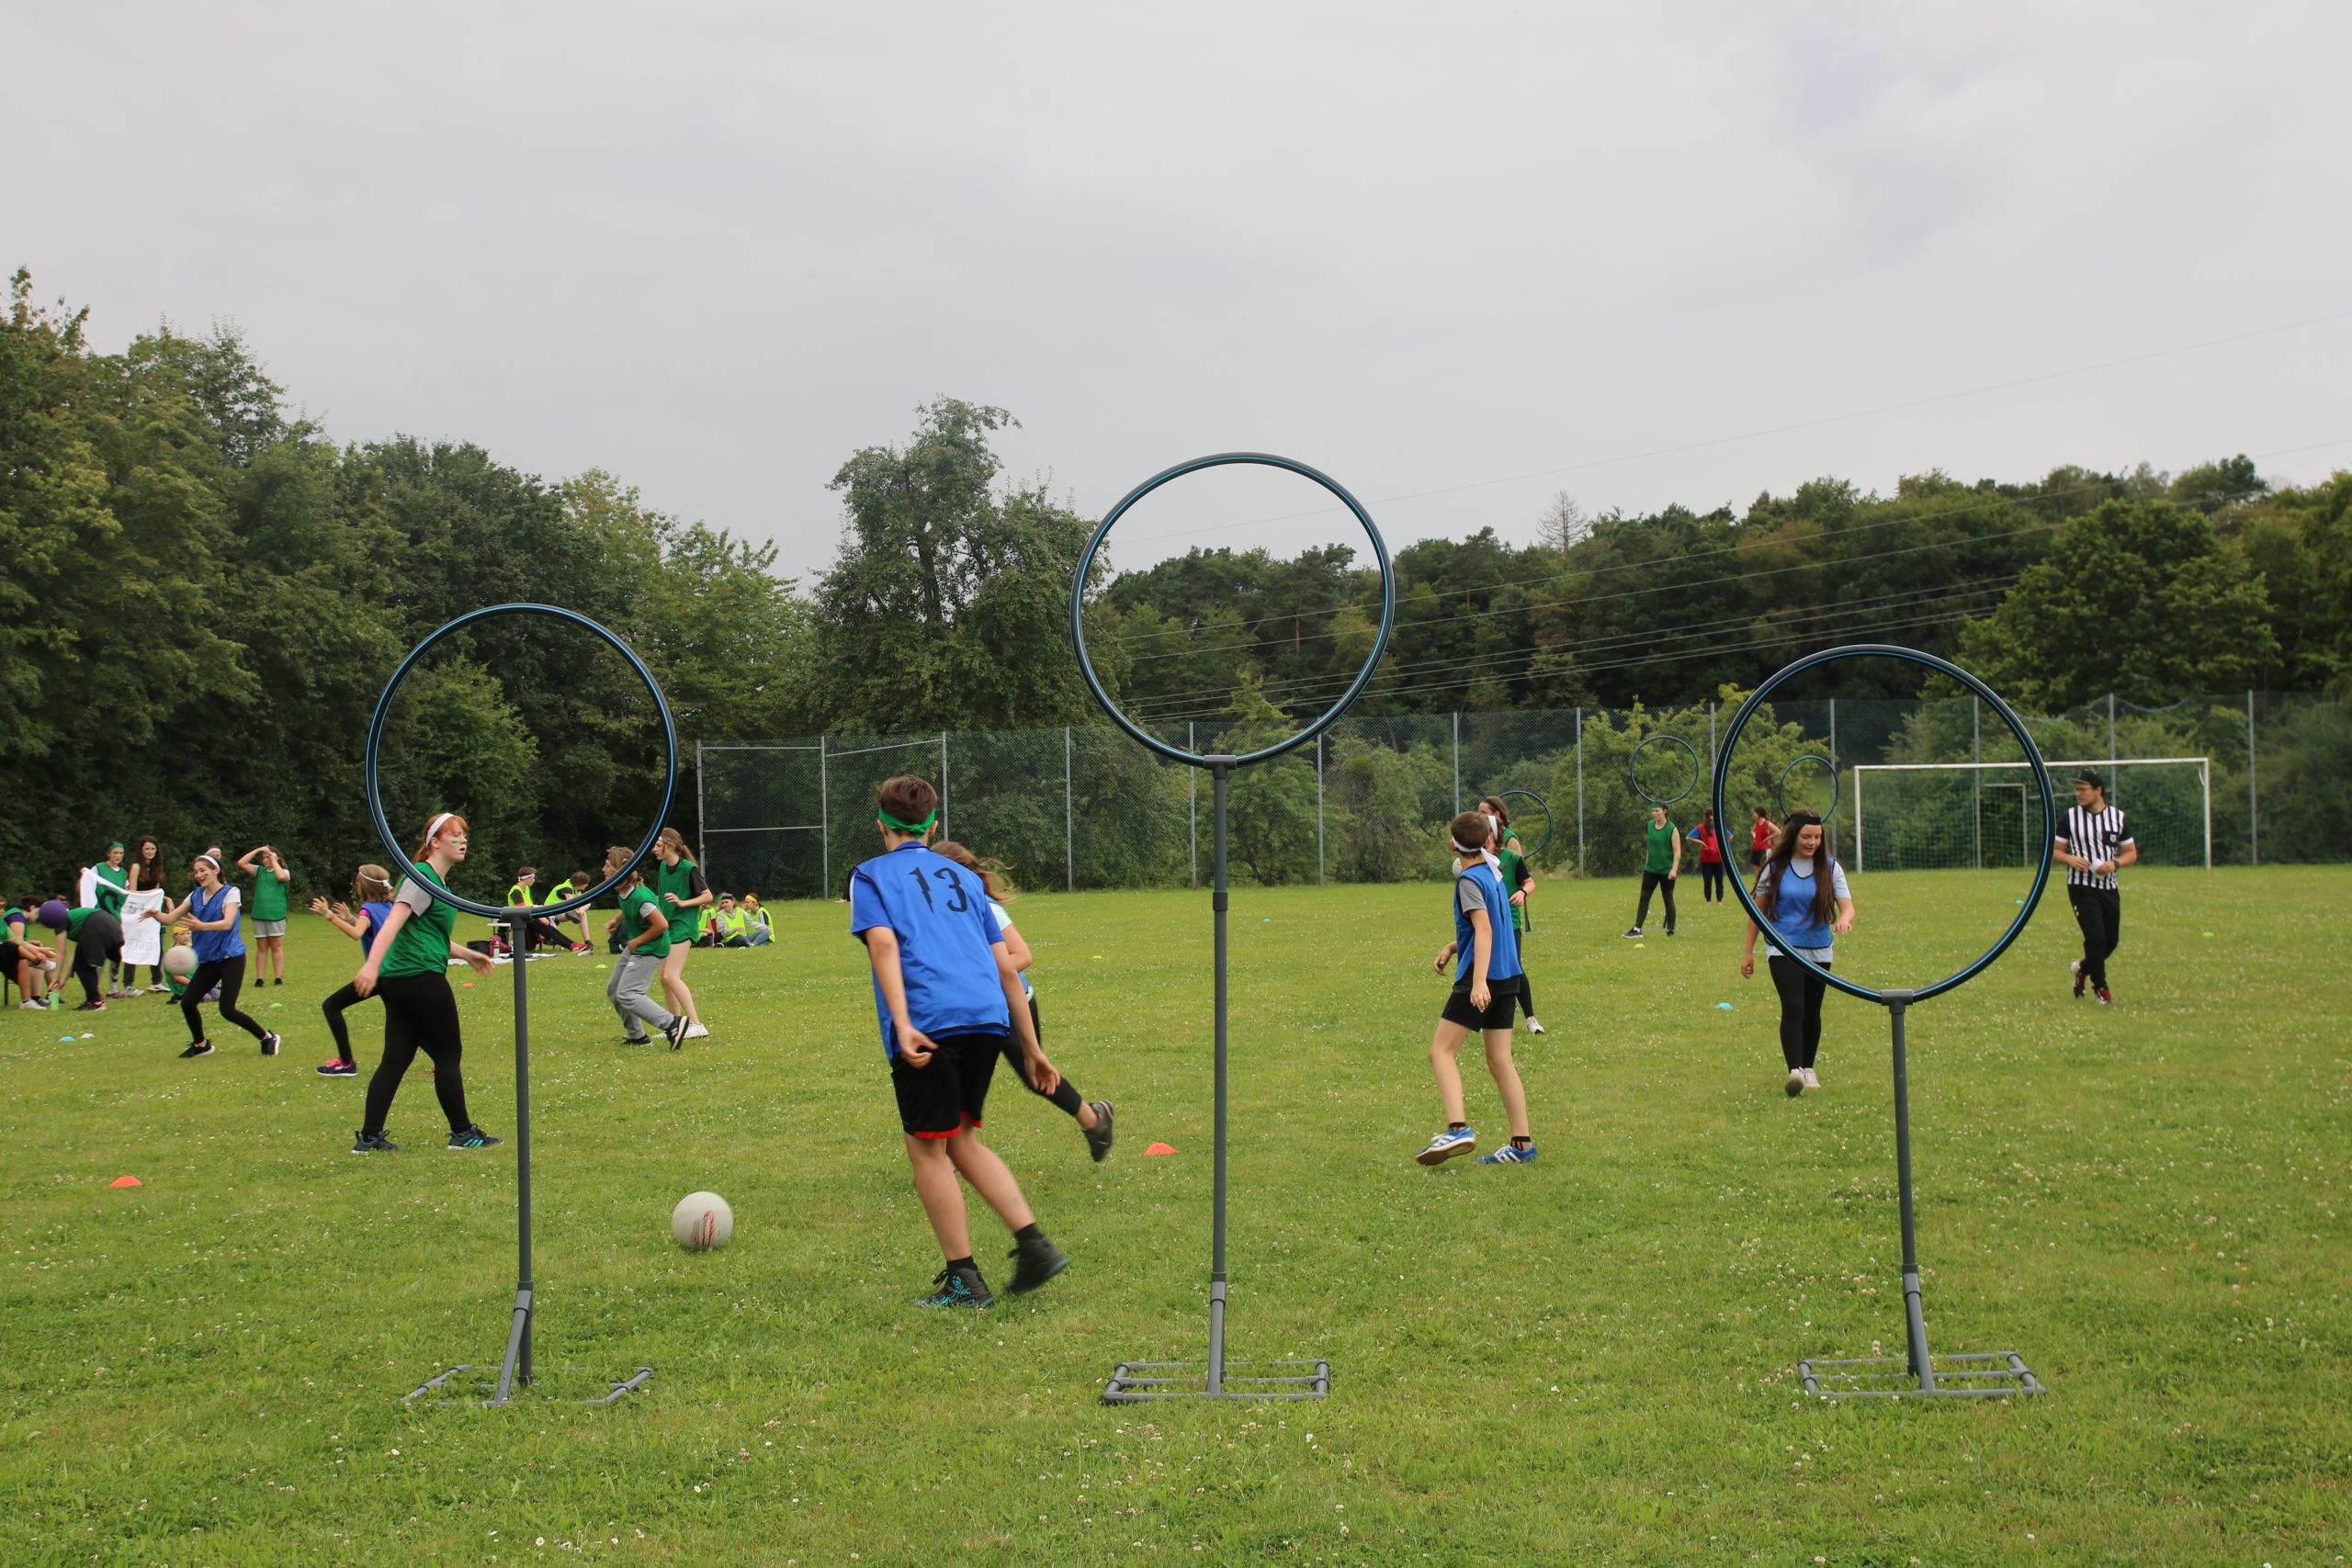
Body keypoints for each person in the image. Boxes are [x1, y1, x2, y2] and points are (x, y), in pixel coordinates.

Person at [850, 776, 1069, 1307]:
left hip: (930, 1020)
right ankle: (1033, 1244)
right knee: (962, 1138)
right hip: (987, 1017)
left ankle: (963, 1279)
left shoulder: (868, 876)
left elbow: (883, 946)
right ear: (933, 826)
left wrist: (902, 1022)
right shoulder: (965, 878)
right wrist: (1031, 1045)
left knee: (927, 1148)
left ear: (880, 823)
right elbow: (1005, 969)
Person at [933, 840, 1114, 1161]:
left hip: (1011, 1004)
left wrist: (973, 971)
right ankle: (947, 1157)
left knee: (1034, 1075)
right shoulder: (943, 910)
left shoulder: (986, 906)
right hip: (976, 1008)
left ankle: (1095, 1121)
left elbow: (1022, 956)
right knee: (952, 1074)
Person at [349, 812, 502, 1152]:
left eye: (465, 834)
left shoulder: (437, 882)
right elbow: (394, 922)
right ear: (434, 842)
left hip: (402, 978)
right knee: (448, 1053)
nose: (463, 840)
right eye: (455, 835)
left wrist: (467, 954)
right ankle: (462, 1133)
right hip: (418, 977)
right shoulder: (421, 877)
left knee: (397, 1057)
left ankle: (369, 1137)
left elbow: (428, 935)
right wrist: (370, 966)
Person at [1416, 812, 1538, 1166]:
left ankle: (1458, 1128)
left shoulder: (1469, 879)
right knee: (1500, 1060)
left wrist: (1479, 981)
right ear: (1487, 841)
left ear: (1453, 845)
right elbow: (1491, 926)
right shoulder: (1494, 874)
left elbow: (1484, 931)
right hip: (1509, 976)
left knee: (1441, 1052)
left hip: (1481, 978)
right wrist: (1454, 946)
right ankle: (1521, 1145)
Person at [1739, 808, 1854, 1097]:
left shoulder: (1830, 867)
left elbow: (1848, 906)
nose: (1812, 842)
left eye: (1817, 836)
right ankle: (1794, 1072)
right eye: (1806, 836)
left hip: (1819, 948)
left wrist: (1844, 919)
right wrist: (1748, 952)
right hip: (1782, 948)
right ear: (1793, 836)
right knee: (1794, 1006)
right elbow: (1757, 912)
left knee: (1812, 1011)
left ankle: (1808, 1068)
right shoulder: (1774, 867)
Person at [143, 852, 279, 1057]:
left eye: (203, 870)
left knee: (227, 1010)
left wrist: (201, 926)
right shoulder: (195, 895)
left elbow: (227, 922)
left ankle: (267, 1038)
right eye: (196, 871)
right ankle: (201, 1045)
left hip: (230, 958)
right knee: (188, 1003)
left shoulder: (231, 893)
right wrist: (155, 915)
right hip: (208, 960)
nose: (199, 875)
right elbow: (170, 919)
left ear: (215, 871)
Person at [2055, 767, 2135, 1005]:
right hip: (2081, 887)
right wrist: (2070, 859)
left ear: (2098, 790)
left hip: (2108, 887)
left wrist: (2114, 864)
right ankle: (2101, 988)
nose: (2078, 794)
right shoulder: (2069, 817)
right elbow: (2054, 851)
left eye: (2083, 789)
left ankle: (2082, 969)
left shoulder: (2118, 818)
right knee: (2096, 937)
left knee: (2111, 941)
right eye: (2076, 789)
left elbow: (2131, 853)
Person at [600, 846, 691, 1048]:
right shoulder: (625, 891)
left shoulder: (640, 897)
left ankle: (672, 1024)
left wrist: (638, 941)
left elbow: (661, 924)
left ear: (619, 870)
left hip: (651, 948)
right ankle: (638, 1037)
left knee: (628, 993)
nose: (603, 869)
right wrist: (617, 920)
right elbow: (629, 907)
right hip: (638, 947)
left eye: (607, 866)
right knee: (615, 991)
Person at [311, 864, 396, 1077]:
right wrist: (350, 919)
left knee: (331, 1006)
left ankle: (346, 1063)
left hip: (380, 975)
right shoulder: (392, 907)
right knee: (405, 1021)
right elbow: (372, 927)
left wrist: (330, 915)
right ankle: (443, 1061)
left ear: (362, 886)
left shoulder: (368, 908)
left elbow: (358, 933)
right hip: (395, 972)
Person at [1477, 795, 1545, 1035]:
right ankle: (1484, 1016)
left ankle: (1530, 1018)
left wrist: (1522, 893)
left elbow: (1529, 882)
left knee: (1514, 968)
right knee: (1482, 966)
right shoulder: (1478, 859)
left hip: (1510, 922)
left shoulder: (1512, 857)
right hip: (1484, 919)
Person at [651, 828, 712, 1038]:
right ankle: (675, 1025)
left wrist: (683, 902)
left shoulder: (688, 869)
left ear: (670, 845)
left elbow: (707, 896)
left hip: (684, 927)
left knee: (671, 975)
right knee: (664, 979)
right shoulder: (662, 868)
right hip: (669, 928)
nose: (654, 849)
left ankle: (697, 1024)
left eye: (658, 845)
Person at [235, 844, 293, 987]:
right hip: (259, 914)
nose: (265, 860)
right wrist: (257, 850)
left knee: (276, 946)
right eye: (264, 857)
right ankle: (259, 978)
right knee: (261, 947)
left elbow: (281, 877)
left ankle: (278, 977)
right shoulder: (260, 871)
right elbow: (241, 863)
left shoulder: (285, 872)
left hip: (276, 914)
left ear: (276, 857)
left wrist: (274, 861)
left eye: (268, 857)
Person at [1624, 804, 1680, 938]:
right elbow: (1650, 847)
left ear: (1664, 812)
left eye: (1657, 811)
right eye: (1652, 811)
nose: (1654, 813)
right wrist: (1647, 864)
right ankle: (1637, 929)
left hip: (1666, 870)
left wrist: (1674, 869)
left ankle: (1670, 930)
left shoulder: (1672, 829)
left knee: (1668, 899)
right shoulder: (1650, 825)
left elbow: (1677, 851)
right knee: (1644, 897)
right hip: (1651, 869)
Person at [503, 866, 582, 954]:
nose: (534, 880)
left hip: (525, 916)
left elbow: (530, 906)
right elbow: (522, 910)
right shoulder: (516, 891)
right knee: (545, 926)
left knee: (547, 924)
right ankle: (570, 945)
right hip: (518, 918)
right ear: (527, 879)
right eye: (533, 878)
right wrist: (540, 917)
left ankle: (568, 944)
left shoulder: (526, 888)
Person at [90, 842, 132, 996]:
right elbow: (87, 883)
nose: (118, 856)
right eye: (115, 853)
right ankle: (95, 987)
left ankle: (113, 987)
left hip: (117, 917)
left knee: (116, 952)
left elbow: (128, 892)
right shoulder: (98, 868)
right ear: (108, 853)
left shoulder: (123, 873)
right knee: (100, 953)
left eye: (121, 853)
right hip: (100, 915)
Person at [3, 900, 61, 1009]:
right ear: (32, 907)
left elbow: (14, 940)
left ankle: (52, 996)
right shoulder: (16, 917)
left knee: (46, 957)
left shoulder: (15, 917)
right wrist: (39, 951)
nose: (39, 916)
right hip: (9, 954)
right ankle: (39, 997)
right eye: (38, 912)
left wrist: (34, 945)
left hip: (11, 950)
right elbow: (15, 942)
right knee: (43, 958)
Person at [541, 867, 595, 951]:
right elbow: (570, 903)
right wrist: (576, 909)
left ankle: (587, 941)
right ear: (580, 884)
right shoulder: (566, 888)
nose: (587, 885)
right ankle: (587, 942)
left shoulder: (575, 889)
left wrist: (580, 910)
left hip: (561, 911)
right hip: (550, 913)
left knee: (586, 906)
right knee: (580, 912)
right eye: (586, 883)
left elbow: (583, 902)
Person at [1688, 808, 1727, 905]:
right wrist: (1701, 842)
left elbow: (1730, 836)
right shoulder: (1701, 827)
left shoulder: (1719, 826)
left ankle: (1719, 900)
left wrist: (1722, 846)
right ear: (1709, 816)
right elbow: (1688, 837)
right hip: (1707, 858)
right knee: (1707, 880)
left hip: (1718, 858)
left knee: (1719, 880)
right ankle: (1708, 901)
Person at [1749, 806, 1774, 874]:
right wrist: (1755, 836)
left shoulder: (1767, 823)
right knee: (1756, 868)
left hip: (1765, 849)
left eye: (1754, 813)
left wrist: (1769, 837)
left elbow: (1778, 832)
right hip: (1756, 848)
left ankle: (1766, 883)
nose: (1753, 815)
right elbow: (1752, 831)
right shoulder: (1757, 823)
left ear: (1759, 814)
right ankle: (1758, 883)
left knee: (1765, 869)